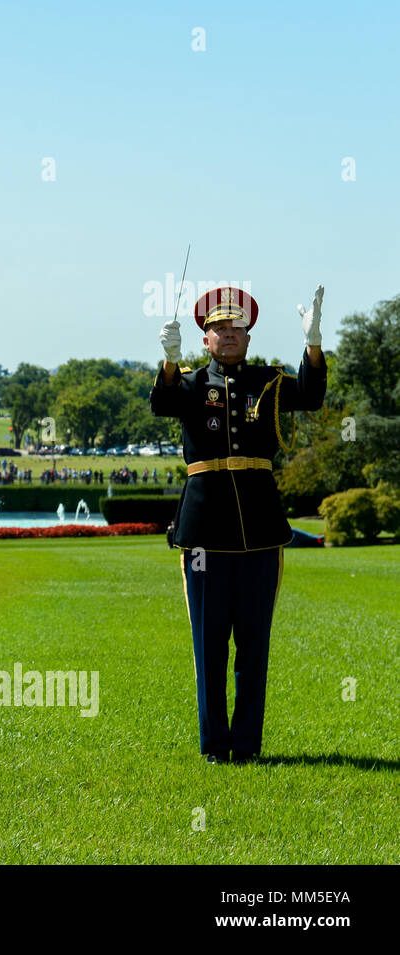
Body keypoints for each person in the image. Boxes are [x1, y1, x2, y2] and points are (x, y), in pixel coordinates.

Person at [152, 285, 327, 764]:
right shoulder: (188, 386)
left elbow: (311, 396)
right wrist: (168, 362)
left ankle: (248, 747)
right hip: (205, 532)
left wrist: (312, 342)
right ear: (204, 339)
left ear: (249, 337)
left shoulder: (268, 383)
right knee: (209, 647)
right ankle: (215, 747)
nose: (228, 335)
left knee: (254, 646)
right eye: (218, 329)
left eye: (236, 329)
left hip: (259, 532)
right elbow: (163, 404)